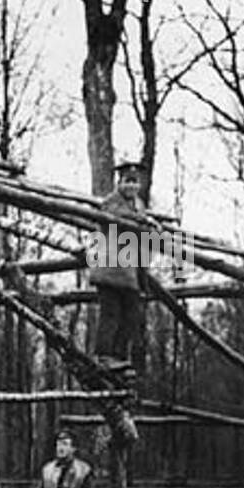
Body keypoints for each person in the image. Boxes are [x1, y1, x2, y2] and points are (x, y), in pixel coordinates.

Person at [88, 159, 157, 372]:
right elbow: (114, 215)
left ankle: (118, 357)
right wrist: (142, 221)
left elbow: (143, 234)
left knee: (131, 317)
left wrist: (148, 223)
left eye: (135, 182)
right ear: (120, 182)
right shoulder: (112, 201)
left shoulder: (139, 205)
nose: (131, 186)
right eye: (127, 181)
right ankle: (103, 355)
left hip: (129, 272)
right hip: (110, 266)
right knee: (110, 313)